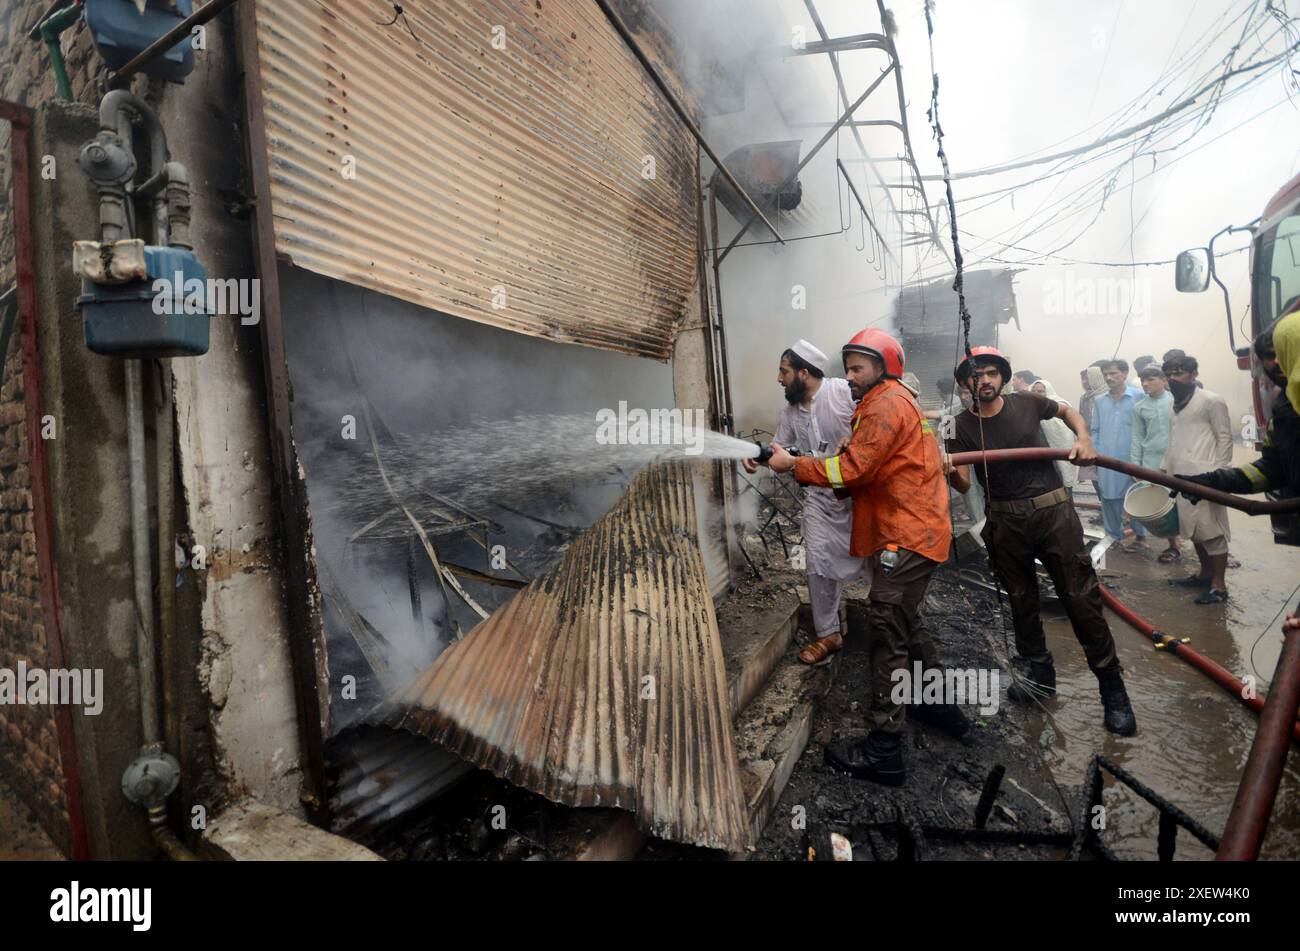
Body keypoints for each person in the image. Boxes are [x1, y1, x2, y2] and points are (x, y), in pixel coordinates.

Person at [766, 328, 969, 785]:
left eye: (858, 368)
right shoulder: (887, 402)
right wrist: (840, 456)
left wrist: (796, 465)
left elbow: (852, 469)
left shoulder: (883, 404)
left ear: (883, 367)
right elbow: (859, 464)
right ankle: (940, 709)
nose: (850, 376)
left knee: (885, 633)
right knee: (905, 621)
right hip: (913, 529)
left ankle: (884, 751)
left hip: (906, 531)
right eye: (849, 368)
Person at [945, 346, 1137, 736]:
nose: (984, 380)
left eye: (991, 373)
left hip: (1053, 516)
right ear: (965, 383)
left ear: (1001, 376)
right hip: (1004, 520)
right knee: (1021, 601)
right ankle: (1040, 676)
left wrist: (1083, 439)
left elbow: (1068, 412)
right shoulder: (958, 426)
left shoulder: (1027, 403)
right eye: (975, 375)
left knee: (1080, 599)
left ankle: (1113, 690)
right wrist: (949, 469)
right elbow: (963, 481)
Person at [743, 340, 866, 664]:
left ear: (804, 372)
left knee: (875, 556)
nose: (779, 379)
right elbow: (780, 446)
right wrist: (759, 456)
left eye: (784, 371)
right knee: (818, 562)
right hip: (818, 497)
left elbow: (876, 417)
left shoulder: (842, 391)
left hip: (859, 494)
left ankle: (887, 623)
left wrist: (854, 439)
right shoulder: (791, 413)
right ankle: (828, 634)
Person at [1176, 313, 1300, 548]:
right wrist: (1212, 482)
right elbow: (1274, 469)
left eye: (1284, 350)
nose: (1276, 363)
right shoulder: (1285, 406)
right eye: (1270, 356)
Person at [1161, 354, 1234, 603]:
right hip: (1180, 476)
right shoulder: (1174, 406)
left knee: (1212, 530)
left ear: (1193, 374)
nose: (1173, 377)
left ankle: (1219, 585)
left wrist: (1221, 475)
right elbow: (1173, 440)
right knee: (1193, 531)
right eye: (1169, 373)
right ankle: (1205, 574)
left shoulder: (1211, 401)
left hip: (1207, 477)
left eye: (1179, 372)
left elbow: (1224, 438)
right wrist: (1164, 470)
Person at [1090, 359, 1147, 550]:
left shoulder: (1139, 397)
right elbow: (1095, 429)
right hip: (1107, 458)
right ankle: (1114, 536)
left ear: (1124, 374)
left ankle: (1141, 536)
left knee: (1137, 497)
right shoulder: (1099, 401)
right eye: (1106, 374)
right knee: (1109, 496)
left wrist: (1144, 458)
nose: (1109, 377)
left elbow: (1146, 428)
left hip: (1133, 457)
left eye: (1113, 373)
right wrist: (1096, 453)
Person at [1130, 364, 1180, 562]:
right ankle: (1173, 546)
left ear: (1164, 380)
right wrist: (1136, 466)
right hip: (1151, 462)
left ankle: (1208, 547)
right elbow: (1136, 438)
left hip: (1177, 460)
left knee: (1188, 503)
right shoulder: (1139, 407)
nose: (1145, 384)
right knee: (1162, 504)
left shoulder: (1176, 402)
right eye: (1143, 380)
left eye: (1151, 379)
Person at [1031, 379, 1078, 495]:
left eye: (1041, 391)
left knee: (1064, 486)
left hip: (1060, 454)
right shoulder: (1028, 407)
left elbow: (1065, 435)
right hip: (1040, 456)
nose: (1037, 394)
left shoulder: (1059, 405)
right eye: (1034, 391)